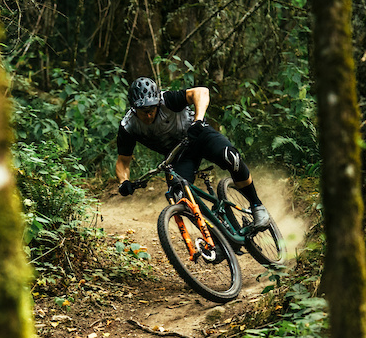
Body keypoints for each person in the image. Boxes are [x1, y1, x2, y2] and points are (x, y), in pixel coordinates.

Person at [115, 76, 270, 229]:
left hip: (200, 136)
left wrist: (198, 120)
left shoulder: (168, 100)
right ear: (134, 108)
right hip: (178, 155)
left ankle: (257, 206)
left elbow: (201, 92)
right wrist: (124, 182)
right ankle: (215, 232)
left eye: (152, 109)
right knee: (179, 196)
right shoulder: (129, 126)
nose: (149, 115)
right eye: (143, 111)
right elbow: (122, 162)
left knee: (231, 158)